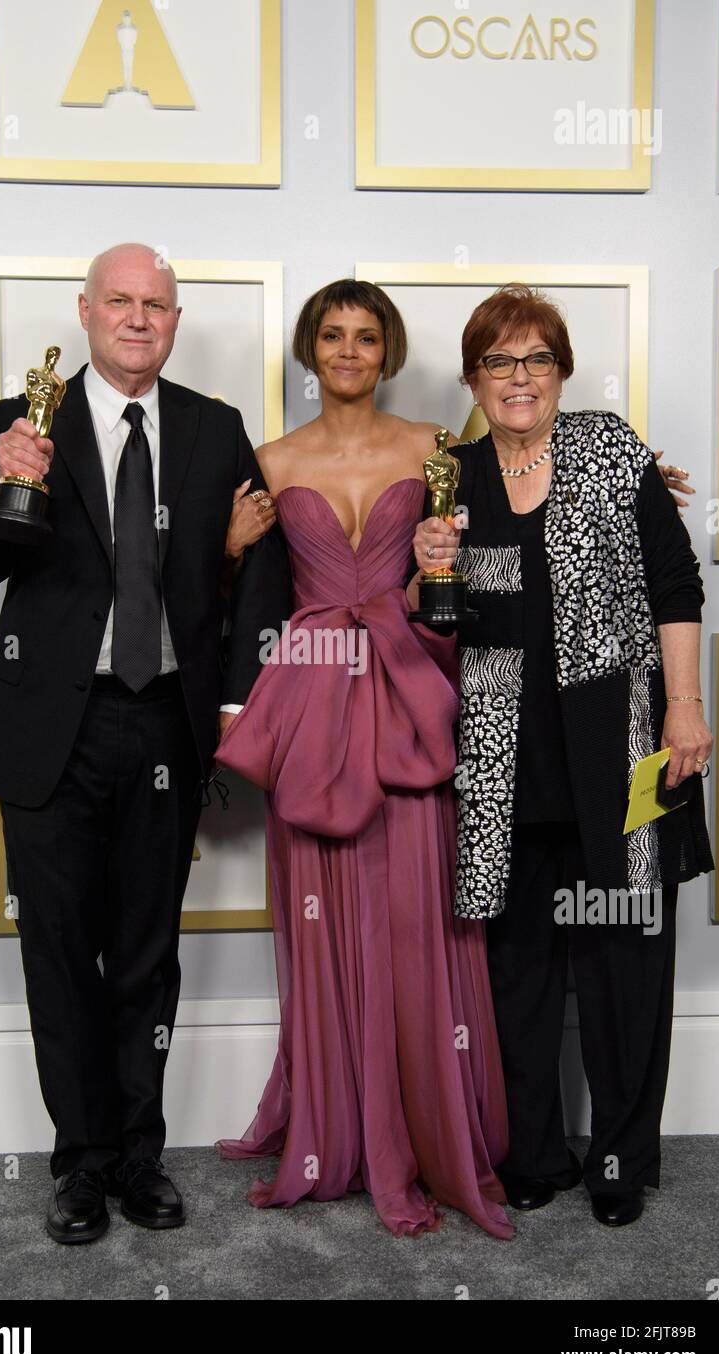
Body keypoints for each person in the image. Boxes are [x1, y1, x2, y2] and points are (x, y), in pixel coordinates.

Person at [0, 243, 290, 1244]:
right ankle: (79, 1164)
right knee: (59, 951)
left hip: (162, 720)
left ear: (175, 321)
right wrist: (8, 489)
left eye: (157, 305)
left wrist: (233, 707)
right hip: (50, 723)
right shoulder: (19, 420)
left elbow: (255, 575)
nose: (139, 318)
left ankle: (139, 1156)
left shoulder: (213, 429)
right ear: (86, 312)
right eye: (120, 302)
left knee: (146, 953)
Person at [213, 279, 516, 1239]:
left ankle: (426, 1127)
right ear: (311, 351)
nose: (349, 351)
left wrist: (632, 481)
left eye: (367, 336)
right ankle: (335, 1126)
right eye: (333, 336)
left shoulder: (438, 449)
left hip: (410, 695)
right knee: (322, 908)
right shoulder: (269, 459)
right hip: (309, 699)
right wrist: (225, 553)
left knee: (415, 911)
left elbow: (509, 530)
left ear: (387, 352)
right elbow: (245, 599)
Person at [413, 283, 714, 1228]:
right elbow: (441, 628)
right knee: (519, 973)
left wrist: (687, 708)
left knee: (627, 966)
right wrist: (428, 570)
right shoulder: (449, 480)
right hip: (506, 764)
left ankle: (619, 1156)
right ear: (472, 377)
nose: (519, 378)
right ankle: (532, 1151)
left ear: (563, 371)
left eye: (537, 358)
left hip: (622, 747)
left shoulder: (611, 450)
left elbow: (675, 582)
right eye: (499, 361)